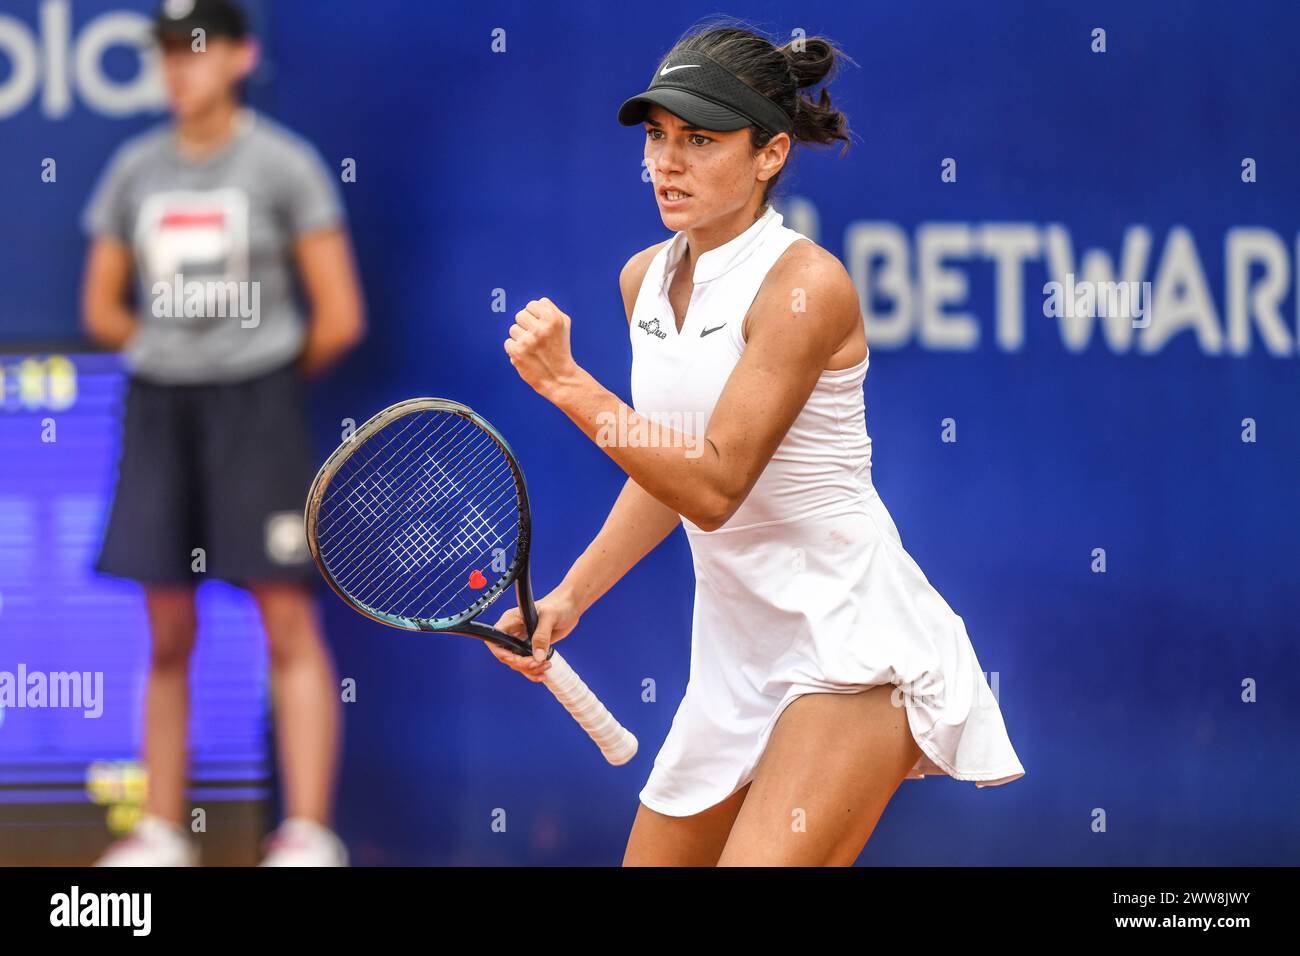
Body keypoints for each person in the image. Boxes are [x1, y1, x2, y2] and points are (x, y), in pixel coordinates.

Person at [487, 20, 1025, 866]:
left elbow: (714, 484)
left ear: (770, 154)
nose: (667, 163)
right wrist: (571, 596)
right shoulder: (645, 279)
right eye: (659, 138)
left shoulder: (806, 286)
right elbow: (667, 466)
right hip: (733, 665)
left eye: (700, 140)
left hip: (850, 650)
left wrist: (569, 387)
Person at [81, 0, 365, 866]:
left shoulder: (284, 167)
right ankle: (163, 831)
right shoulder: (134, 171)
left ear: (240, 57)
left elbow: (340, 315)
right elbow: (101, 307)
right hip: (161, 410)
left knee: (286, 620)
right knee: (166, 630)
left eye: (195, 51)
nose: (179, 68)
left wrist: (257, 373)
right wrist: (174, 356)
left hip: (259, 413)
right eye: (167, 53)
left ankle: (308, 835)